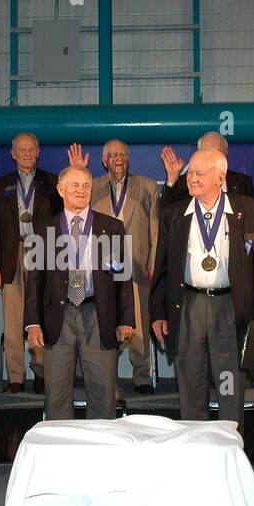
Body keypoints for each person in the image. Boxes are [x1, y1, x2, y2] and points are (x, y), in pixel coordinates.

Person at [151, 149, 254, 437]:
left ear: (220, 177)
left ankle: (230, 452)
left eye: (199, 173)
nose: (191, 178)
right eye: (190, 173)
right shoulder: (175, 213)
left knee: (229, 385)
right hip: (188, 307)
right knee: (191, 385)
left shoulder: (249, 210)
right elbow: (163, 267)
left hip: (230, 310)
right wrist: (158, 313)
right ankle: (196, 456)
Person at [25, 165, 135, 419]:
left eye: (86, 185)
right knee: (56, 393)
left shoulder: (113, 227)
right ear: (60, 189)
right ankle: (61, 452)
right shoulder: (42, 228)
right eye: (74, 185)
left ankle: (101, 451)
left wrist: (126, 319)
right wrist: (33, 323)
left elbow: (123, 277)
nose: (81, 190)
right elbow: (34, 280)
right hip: (57, 317)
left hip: (98, 313)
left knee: (103, 391)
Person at [68, 139, 158, 392]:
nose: (119, 158)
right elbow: (75, 213)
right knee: (101, 321)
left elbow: (155, 229)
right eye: (113, 155)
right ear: (104, 160)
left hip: (137, 266)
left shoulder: (147, 186)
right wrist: (78, 172)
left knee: (137, 322)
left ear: (129, 159)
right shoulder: (92, 186)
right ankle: (100, 375)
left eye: (123, 154)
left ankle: (142, 375)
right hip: (100, 267)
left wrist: (153, 262)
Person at [0, 131, 61, 393]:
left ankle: (41, 373)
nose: (27, 154)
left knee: (40, 314)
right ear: (13, 153)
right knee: (13, 317)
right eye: (22, 150)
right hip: (10, 255)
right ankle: (16, 377)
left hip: (42, 253)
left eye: (32, 150)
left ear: (38, 152)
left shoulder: (53, 183)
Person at [159, 131, 254, 209]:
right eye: (206, 152)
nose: (211, 157)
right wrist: (172, 179)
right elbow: (166, 213)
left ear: (226, 155)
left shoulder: (243, 183)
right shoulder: (185, 183)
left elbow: (250, 217)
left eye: (217, 152)